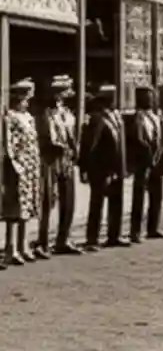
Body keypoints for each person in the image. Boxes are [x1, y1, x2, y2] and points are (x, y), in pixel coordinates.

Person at [34, 75, 81, 257]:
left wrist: (73, 149)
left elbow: (72, 134)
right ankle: (42, 241)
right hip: (50, 159)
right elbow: (46, 137)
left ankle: (63, 238)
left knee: (68, 200)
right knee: (47, 201)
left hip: (66, 159)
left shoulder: (67, 112)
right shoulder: (45, 113)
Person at [79, 84, 129, 251]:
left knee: (116, 202)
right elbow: (90, 146)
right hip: (100, 168)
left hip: (117, 167)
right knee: (97, 203)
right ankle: (92, 238)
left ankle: (114, 235)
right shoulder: (96, 118)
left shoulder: (117, 117)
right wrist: (85, 167)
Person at [3, 78, 42, 265]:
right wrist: (14, 164)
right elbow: (8, 144)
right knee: (14, 209)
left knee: (27, 207)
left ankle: (23, 244)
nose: (26, 102)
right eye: (23, 98)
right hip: (17, 167)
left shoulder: (29, 118)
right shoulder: (9, 118)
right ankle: (10, 248)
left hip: (30, 166)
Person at [128, 86, 163, 242]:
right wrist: (148, 154)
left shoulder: (158, 118)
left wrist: (160, 156)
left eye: (152, 97)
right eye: (146, 97)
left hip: (158, 162)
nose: (150, 100)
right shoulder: (137, 117)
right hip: (143, 162)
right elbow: (138, 139)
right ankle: (135, 231)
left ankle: (153, 228)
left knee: (156, 196)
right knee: (139, 197)